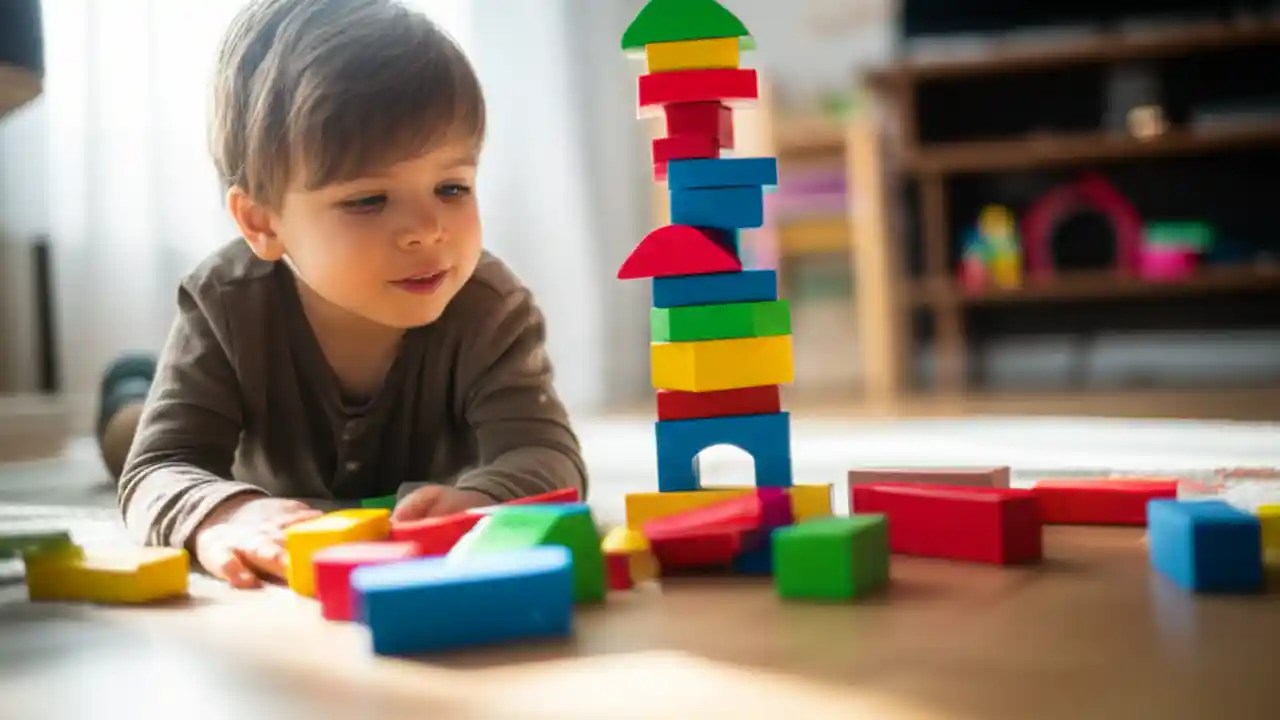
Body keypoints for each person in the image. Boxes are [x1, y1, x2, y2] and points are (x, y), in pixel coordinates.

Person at [109, 0, 587, 589]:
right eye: (368, 200)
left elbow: (548, 457)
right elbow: (160, 467)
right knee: (127, 438)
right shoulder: (225, 302)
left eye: (452, 186)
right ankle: (128, 391)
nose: (428, 228)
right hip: (219, 446)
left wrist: (481, 497)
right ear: (262, 223)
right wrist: (225, 513)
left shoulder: (491, 307)